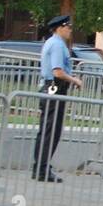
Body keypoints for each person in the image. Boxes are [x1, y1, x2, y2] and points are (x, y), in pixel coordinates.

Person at [32, 15, 83, 183]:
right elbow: (58, 72)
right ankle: (42, 168)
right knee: (51, 131)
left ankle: (41, 166)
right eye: (68, 27)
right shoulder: (56, 45)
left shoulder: (56, 43)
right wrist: (74, 79)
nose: (70, 30)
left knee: (49, 129)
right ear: (59, 28)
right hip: (54, 88)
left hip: (54, 88)